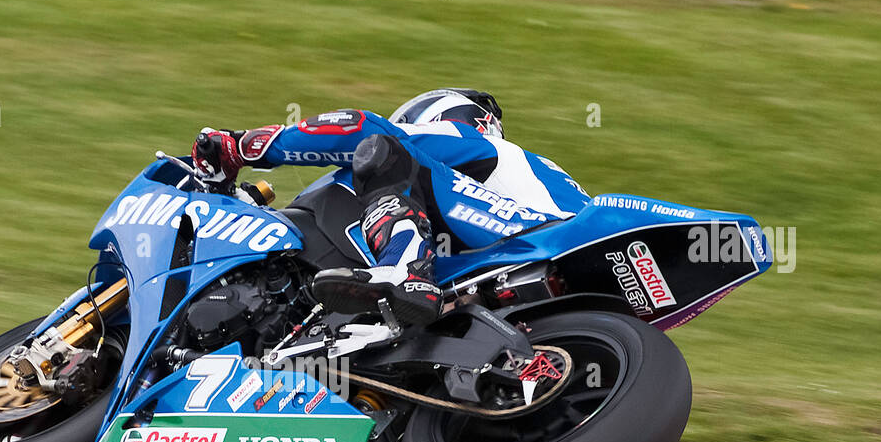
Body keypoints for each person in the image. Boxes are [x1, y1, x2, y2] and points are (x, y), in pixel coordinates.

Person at [191, 89, 590, 325]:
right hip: (533, 274)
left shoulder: (471, 142)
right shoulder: (542, 177)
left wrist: (241, 147)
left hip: (530, 237)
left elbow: (362, 127)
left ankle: (404, 268)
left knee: (384, 151)